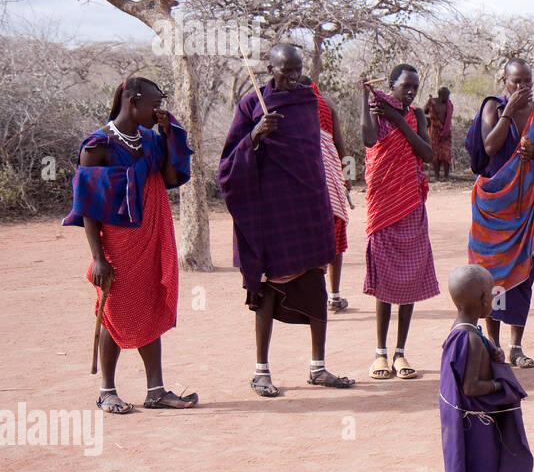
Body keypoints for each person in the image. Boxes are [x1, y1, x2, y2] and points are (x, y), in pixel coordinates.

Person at [219, 42, 354, 396]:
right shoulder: (251, 105)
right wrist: (254, 135)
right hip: (271, 211)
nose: (294, 77)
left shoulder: (309, 101)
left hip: (308, 206)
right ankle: (261, 370)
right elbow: (227, 166)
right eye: (286, 71)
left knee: (315, 284)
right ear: (270, 70)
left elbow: (315, 153)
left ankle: (318, 367)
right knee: (266, 287)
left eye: (298, 69)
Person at [64, 77, 197, 413]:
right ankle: (107, 391)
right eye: (154, 104)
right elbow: (88, 208)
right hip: (119, 245)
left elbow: (168, 179)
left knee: (150, 305)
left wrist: (168, 136)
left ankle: (156, 391)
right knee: (115, 311)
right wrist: (98, 258)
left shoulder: (151, 140)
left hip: (152, 236)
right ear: (133, 101)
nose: (158, 111)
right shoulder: (97, 147)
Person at [466, 59, 534, 368]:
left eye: (527, 82)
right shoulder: (493, 107)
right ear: (505, 82)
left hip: (525, 209)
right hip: (492, 209)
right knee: (491, 279)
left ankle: (516, 346)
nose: (522, 87)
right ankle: (493, 345)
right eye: (515, 82)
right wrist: (508, 112)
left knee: (522, 278)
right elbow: (490, 147)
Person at [439, 264, 533, 472]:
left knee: (462, 471)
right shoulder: (472, 341)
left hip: (459, 421)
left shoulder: (460, 332)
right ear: (481, 301)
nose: (493, 301)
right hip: (473, 423)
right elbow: (472, 387)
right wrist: (498, 382)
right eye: (491, 296)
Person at [362, 64, 439, 380]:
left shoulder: (416, 114)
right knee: (385, 281)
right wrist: (363, 103)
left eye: (414, 87)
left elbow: (427, 153)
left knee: (409, 280)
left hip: (410, 204)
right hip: (383, 205)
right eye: (405, 86)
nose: (410, 92)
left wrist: (399, 120)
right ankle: (380, 353)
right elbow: (368, 140)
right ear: (390, 85)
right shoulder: (376, 109)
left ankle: (400, 352)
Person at [305, 77, 351, 312]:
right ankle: (334, 296)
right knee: (335, 239)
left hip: (303, 182)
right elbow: (341, 145)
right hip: (332, 180)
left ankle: (311, 297)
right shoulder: (327, 104)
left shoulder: (286, 106)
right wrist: (348, 177)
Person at [423, 86, 454, 181]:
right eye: (447, 96)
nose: (448, 98)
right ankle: (436, 176)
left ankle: (446, 176)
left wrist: (444, 130)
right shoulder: (432, 102)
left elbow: (448, 118)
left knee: (446, 153)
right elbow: (423, 112)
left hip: (445, 131)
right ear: (442, 95)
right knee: (435, 153)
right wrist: (429, 118)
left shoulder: (448, 105)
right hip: (434, 131)